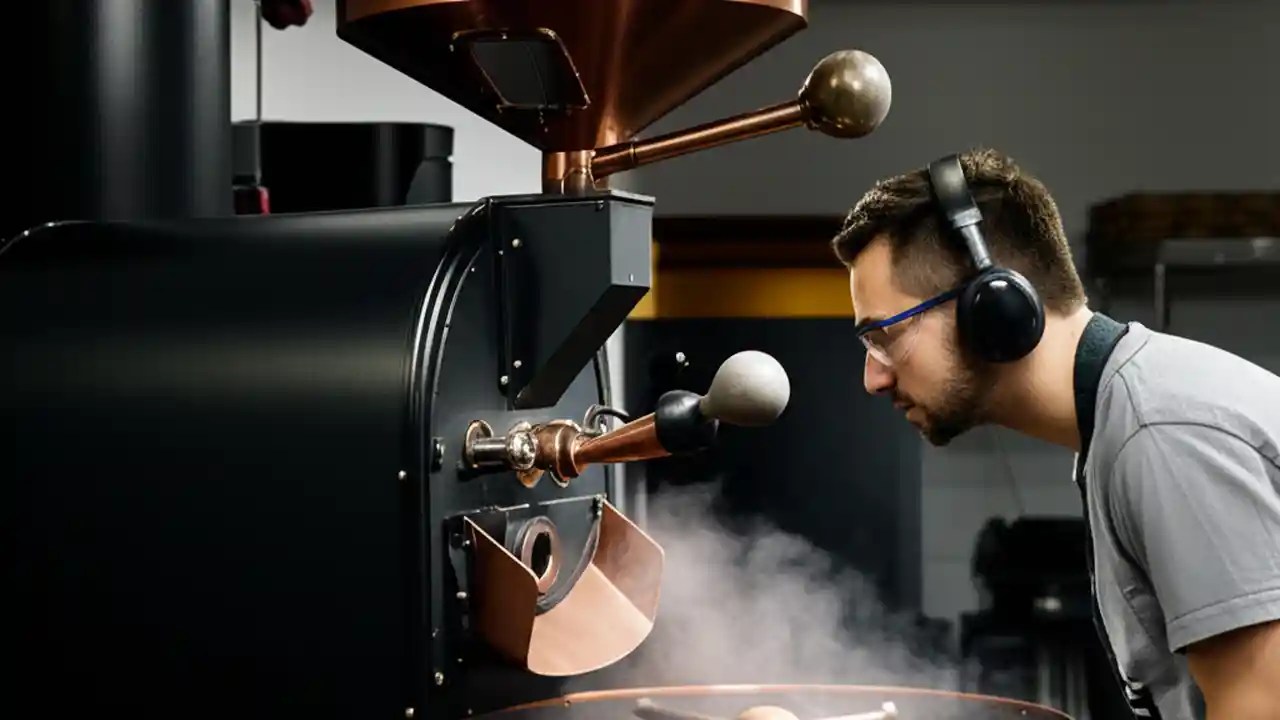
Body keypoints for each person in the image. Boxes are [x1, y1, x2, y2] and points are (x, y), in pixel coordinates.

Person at [831, 148, 1280, 720]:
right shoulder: (1123, 423)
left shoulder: (1158, 432)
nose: (873, 378)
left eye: (883, 337)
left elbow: (1258, 704)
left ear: (992, 307)